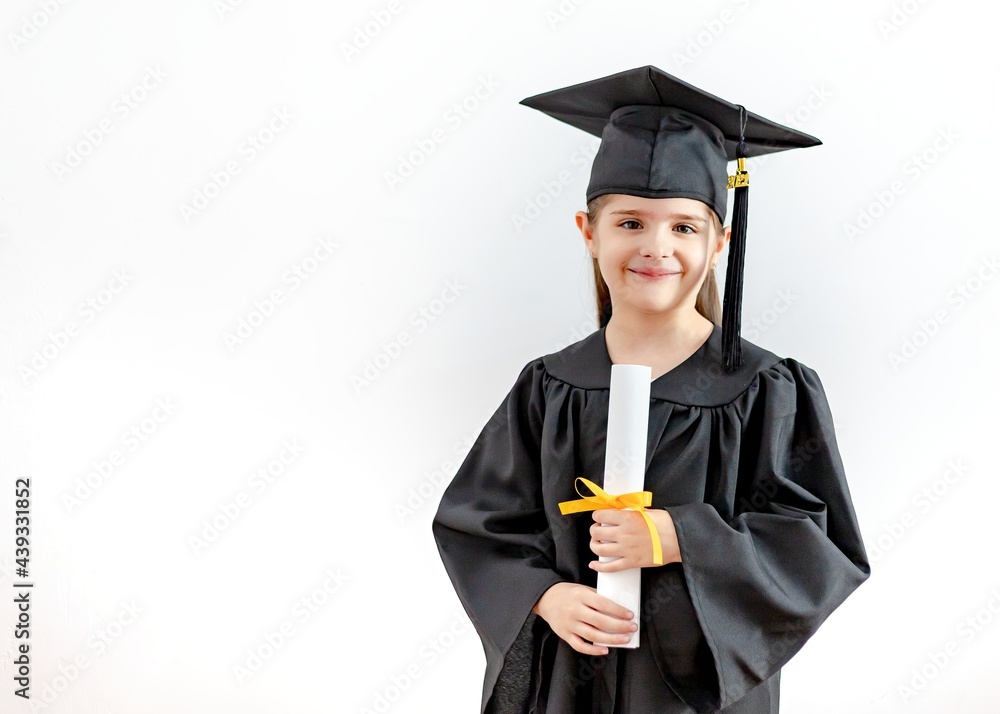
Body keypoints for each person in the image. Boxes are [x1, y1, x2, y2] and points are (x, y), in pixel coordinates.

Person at [431, 65, 870, 713]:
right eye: (630, 223)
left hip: (693, 694)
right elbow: (478, 525)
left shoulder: (766, 390)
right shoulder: (550, 386)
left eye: (683, 227)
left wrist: (677, 536)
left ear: (720, 242)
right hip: (572, 680)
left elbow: (818, 547)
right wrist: (544, 596)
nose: (656, 246)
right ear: (589, 233)